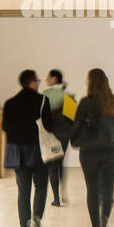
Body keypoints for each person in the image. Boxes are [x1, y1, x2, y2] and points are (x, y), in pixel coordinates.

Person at [69, 68, 114, 227]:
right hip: (110, 152)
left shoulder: (85, 102)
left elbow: (76, 126)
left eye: (87, 80)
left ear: (91, 82)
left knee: (92, 189)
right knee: (108, 191)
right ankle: (104, 222)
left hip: (89, 153)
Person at [1, 69, 55, 227]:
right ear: (32, 82)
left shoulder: (10, 103)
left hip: (18, 152)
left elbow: (5, 127)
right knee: (41, 187)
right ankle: (37, 221)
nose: (38, 84)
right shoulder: (42, 101)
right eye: (37, 81)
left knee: (23, 191)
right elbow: (49, 126)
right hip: (38, 151)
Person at [42, 69, 74, 206]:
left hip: (52, 135)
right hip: (65, 134)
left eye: (48, 78)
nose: (46, 80)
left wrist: (48, 131)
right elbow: (72, 118)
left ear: (54, 78)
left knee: (52, 166)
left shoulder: (46, 94)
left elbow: (43, 116)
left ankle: (56, 198)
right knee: (60, 164)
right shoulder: (69, 95)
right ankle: (63, 192)